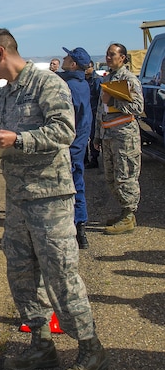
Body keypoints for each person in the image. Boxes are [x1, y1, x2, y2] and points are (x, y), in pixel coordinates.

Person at [0, 28, 107, 370]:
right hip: (18, 198)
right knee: (21, 273)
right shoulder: (1, 97)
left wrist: (20, 139)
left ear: (0, 52)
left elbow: (64, 131)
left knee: (60, 273)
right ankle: (41, 344)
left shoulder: (47, 85)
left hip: (51, 198)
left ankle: (91, 348)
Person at [94, 43, 144, 235]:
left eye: (112, 54)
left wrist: (113, 101)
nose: (108, 57)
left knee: (126, 177)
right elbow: (101, 110)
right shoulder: (109, 78)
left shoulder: (129, 79)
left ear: (122, 57)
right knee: (111, 177)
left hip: (124, 137)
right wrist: (97, 135)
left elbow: (138, 108)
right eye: (107, 54)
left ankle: (129, 216)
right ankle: (124, 211)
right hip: (108, 135)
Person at [60, 47, 93, 249]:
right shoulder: (83, 84)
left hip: (70, 145)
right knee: (78, 184)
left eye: (67, 57)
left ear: (73, 64)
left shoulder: (68, 87)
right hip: (79, 143)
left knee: (68, 188)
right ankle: (81, 228)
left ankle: (73, 229)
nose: (63, 58)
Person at [84, 61, 102, 170]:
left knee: (94, 136)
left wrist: (97, 112)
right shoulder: (83, 80)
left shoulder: (97, 80)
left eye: (88, 67)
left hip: (94, 113)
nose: (86, 69)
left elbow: (100, 97)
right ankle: (84, 159)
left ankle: (94, 159)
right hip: (85, 112)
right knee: (83, 136)